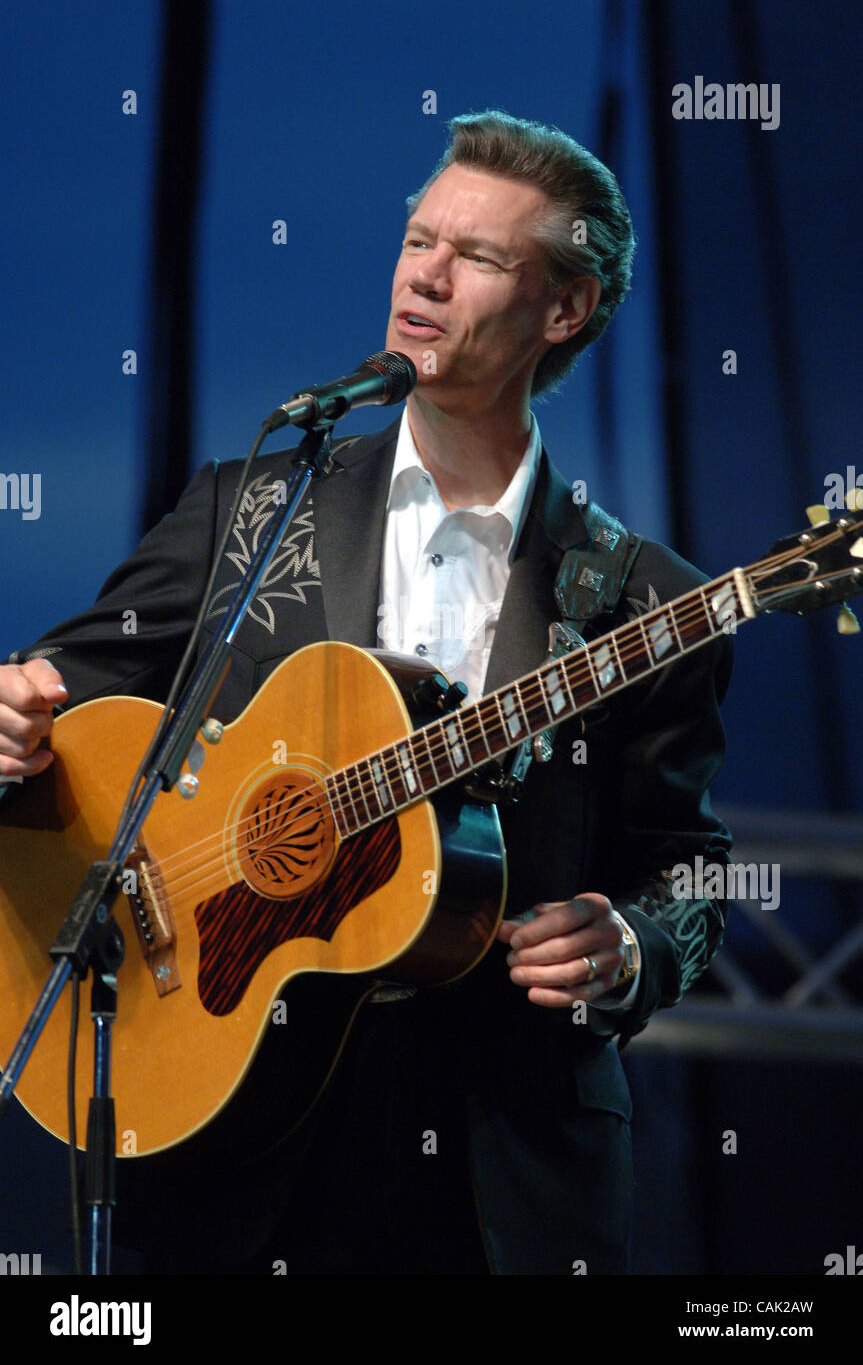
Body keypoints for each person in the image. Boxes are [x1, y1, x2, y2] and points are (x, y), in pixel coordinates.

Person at [0, 111, 732, 1275]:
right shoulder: (252, 504)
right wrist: (11, 722)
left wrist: (634, 946)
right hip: (231, 1127)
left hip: (501, 1166)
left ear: (563, 309)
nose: (425, 277)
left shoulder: (644, 600)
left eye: (478, 257)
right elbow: (58, 697)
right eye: (417, 240)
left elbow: (688, 867)